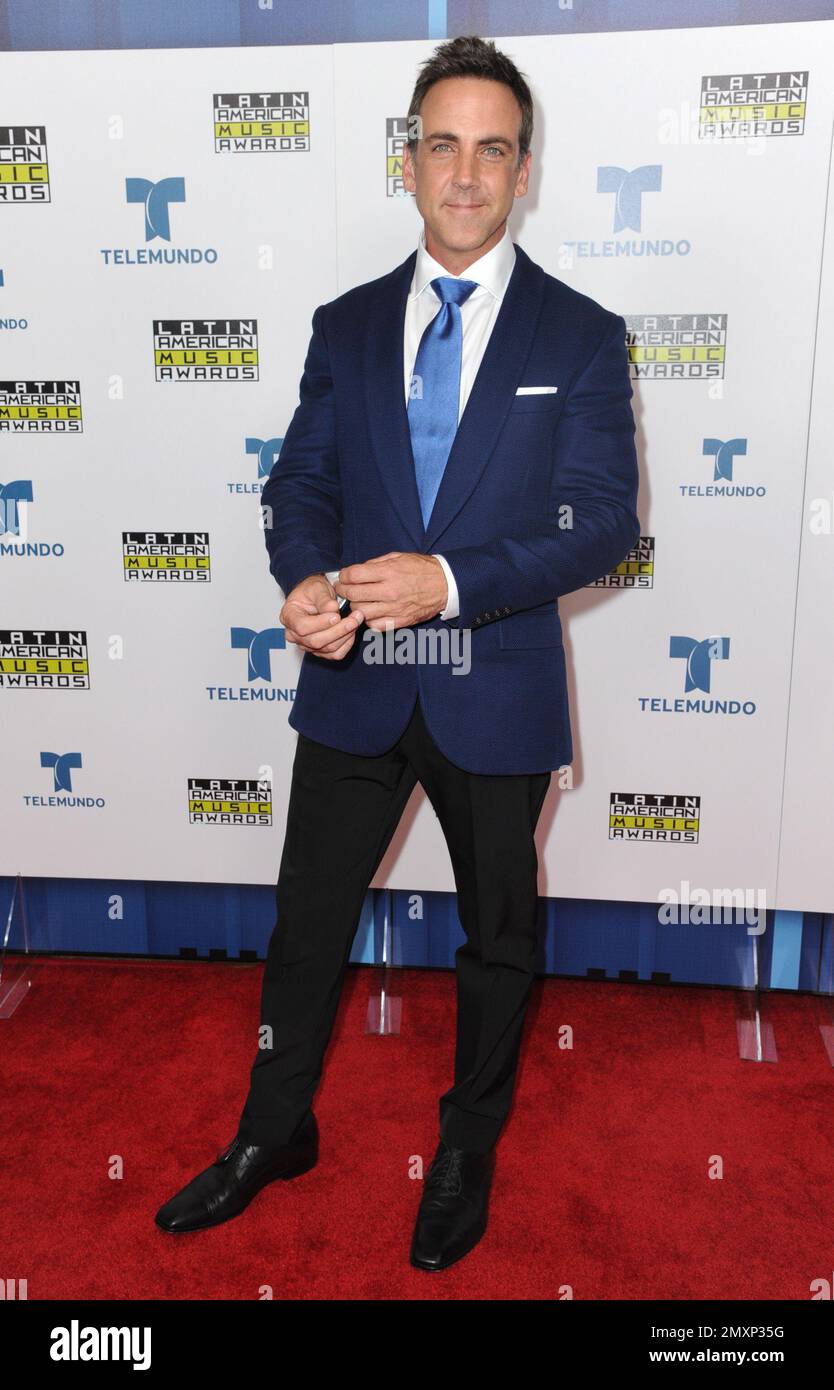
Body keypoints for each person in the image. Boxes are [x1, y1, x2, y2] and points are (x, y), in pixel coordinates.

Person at [156, 33, 640, 1272]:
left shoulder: (582, 335)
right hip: (355, 683)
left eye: (492, 148)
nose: (465, 174)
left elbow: (604, 519)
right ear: (407, 161)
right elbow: (299, 484)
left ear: (524, 170)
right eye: (442, 145)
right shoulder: (347, 322)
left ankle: (466, 1150)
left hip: (500, 690)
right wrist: (303, 580)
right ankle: (274, 1132)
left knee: (496, 942)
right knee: (305, 926)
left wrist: (451, 583)